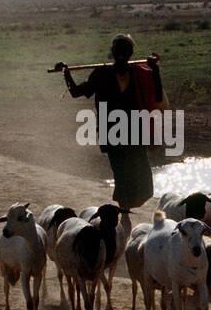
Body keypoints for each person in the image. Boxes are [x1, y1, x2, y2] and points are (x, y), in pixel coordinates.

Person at [63, 34, 162, 210]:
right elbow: (77, 92)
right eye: (119, 51)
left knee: (137, 173)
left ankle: (126, 206)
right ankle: (124, 208)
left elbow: (157, 94)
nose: (121, 55)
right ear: (114, 53)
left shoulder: (138, 73)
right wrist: (67, 74)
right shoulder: (103, 74)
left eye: (123, 52)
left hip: (131, 131)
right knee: (123, 172)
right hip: (115, 131)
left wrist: (155, 70)